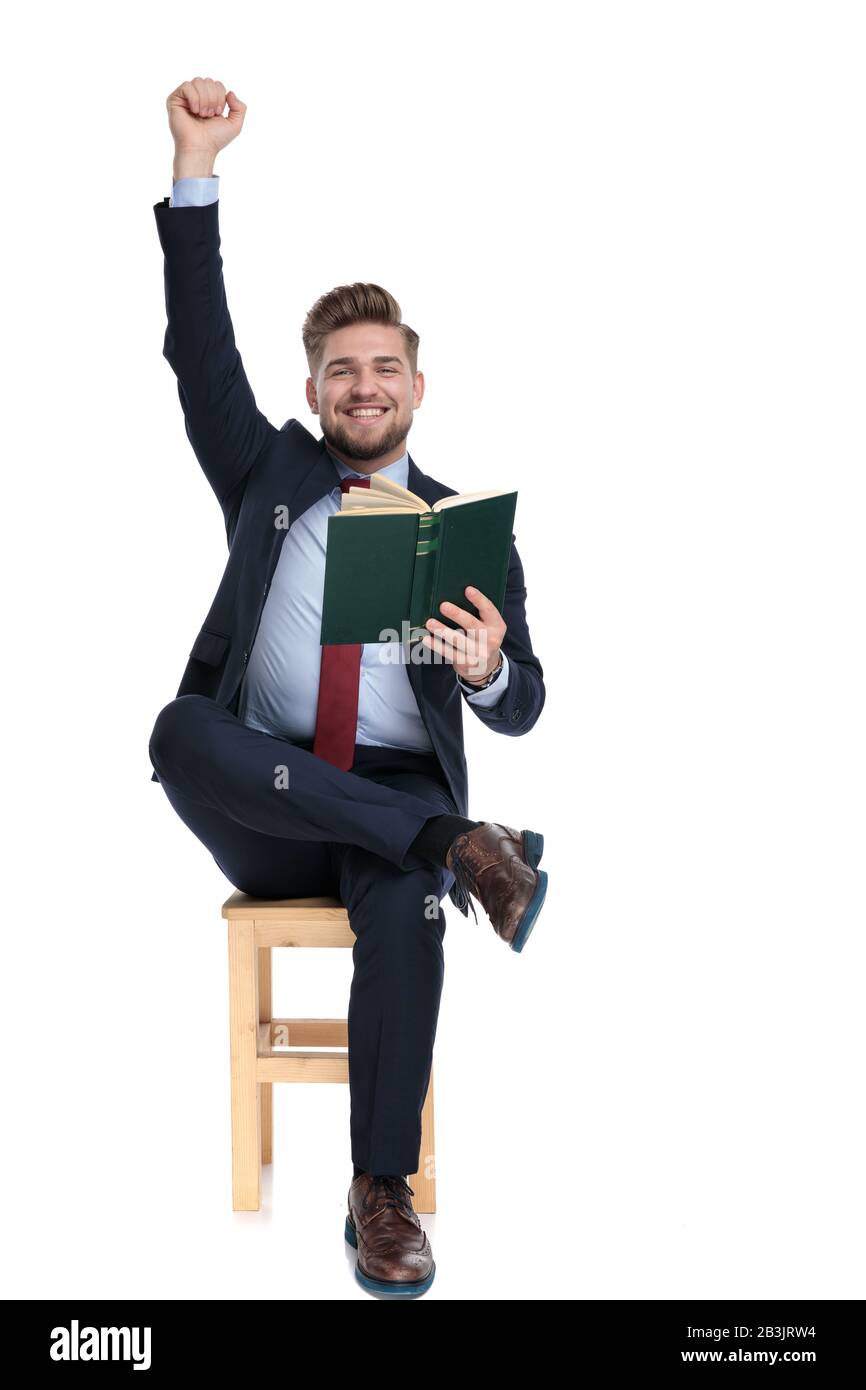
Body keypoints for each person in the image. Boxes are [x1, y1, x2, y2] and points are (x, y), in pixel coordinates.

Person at [149, 76, 548, 1298]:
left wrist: (486, 675)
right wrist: (195, 169)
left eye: (383, 367)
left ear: (415, 388)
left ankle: (380, 1192)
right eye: (338, 369)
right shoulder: (266, 470)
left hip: (382, 800)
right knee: (178, 731)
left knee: (409, 904)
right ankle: (459, 841)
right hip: (270, 798)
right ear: (314, 388)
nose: (361, 386)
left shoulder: (466, 529)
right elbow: (196, 346)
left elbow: (526, 697)